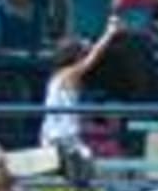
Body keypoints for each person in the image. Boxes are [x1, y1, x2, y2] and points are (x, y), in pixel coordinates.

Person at [40, 21, 122, 153]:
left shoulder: (55, 77)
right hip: (63, 137)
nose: (83, 55)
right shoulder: (68, 74)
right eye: (81, 53)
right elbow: (93, 57)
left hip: (52, 134)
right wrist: (109, 33)